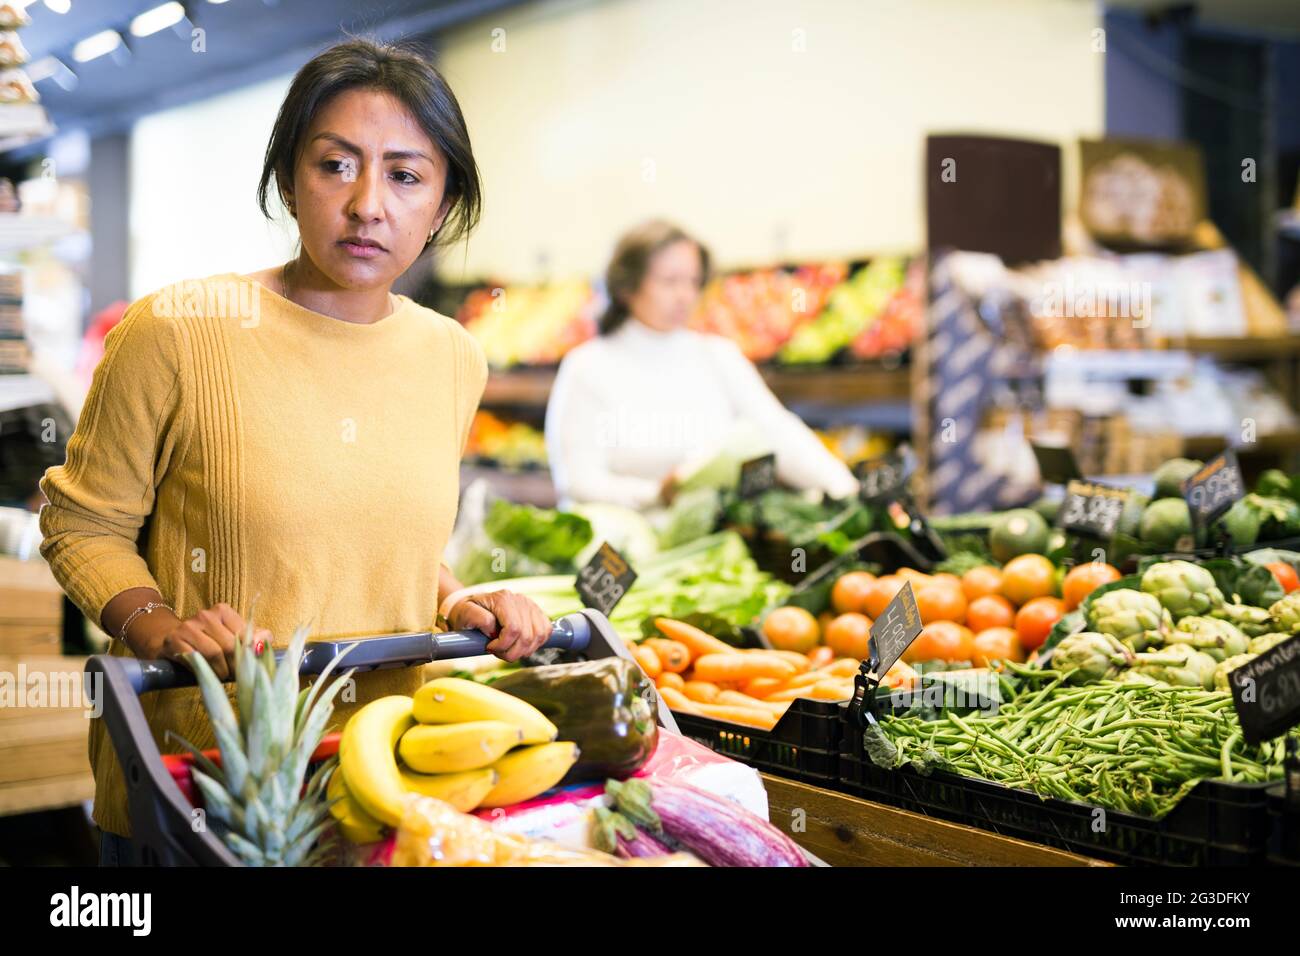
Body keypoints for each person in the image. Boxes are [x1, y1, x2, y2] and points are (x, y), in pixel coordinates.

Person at [38, 39, 553, 865]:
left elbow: (371, 538)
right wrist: (159, 627)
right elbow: (80, 523)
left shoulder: (453, 355)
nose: (368, 205)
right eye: (336, 165)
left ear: (443, 202)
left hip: (378, 786)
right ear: (287, 180)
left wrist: (457, 602)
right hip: (198, 792)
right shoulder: (176, 330)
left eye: (406, 176)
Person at [545, 220, 858, 508]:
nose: (685, 295)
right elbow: (576, 481)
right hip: (624, 549)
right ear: (627, 286)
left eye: (693, 281)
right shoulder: (587, 367)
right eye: (669, 281)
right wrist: (655, 495)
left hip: (709, 536)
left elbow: (778, 430)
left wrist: (845, 489)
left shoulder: (718, 356)